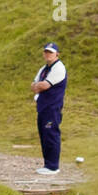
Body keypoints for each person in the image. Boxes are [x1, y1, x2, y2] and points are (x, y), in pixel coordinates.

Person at [31, 42, 67, 174]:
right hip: (43, 107)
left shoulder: (59, 68)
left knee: (51, 134)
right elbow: (33, 85)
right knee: (44, 135)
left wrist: (38, 85)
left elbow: (44, 85)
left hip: (52, 107)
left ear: (57, 54)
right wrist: (37, 85)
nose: (48, 55)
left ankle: (53, 166)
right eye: (46, 52)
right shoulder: (44, 69)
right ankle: (47, 164)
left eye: (51, 52)